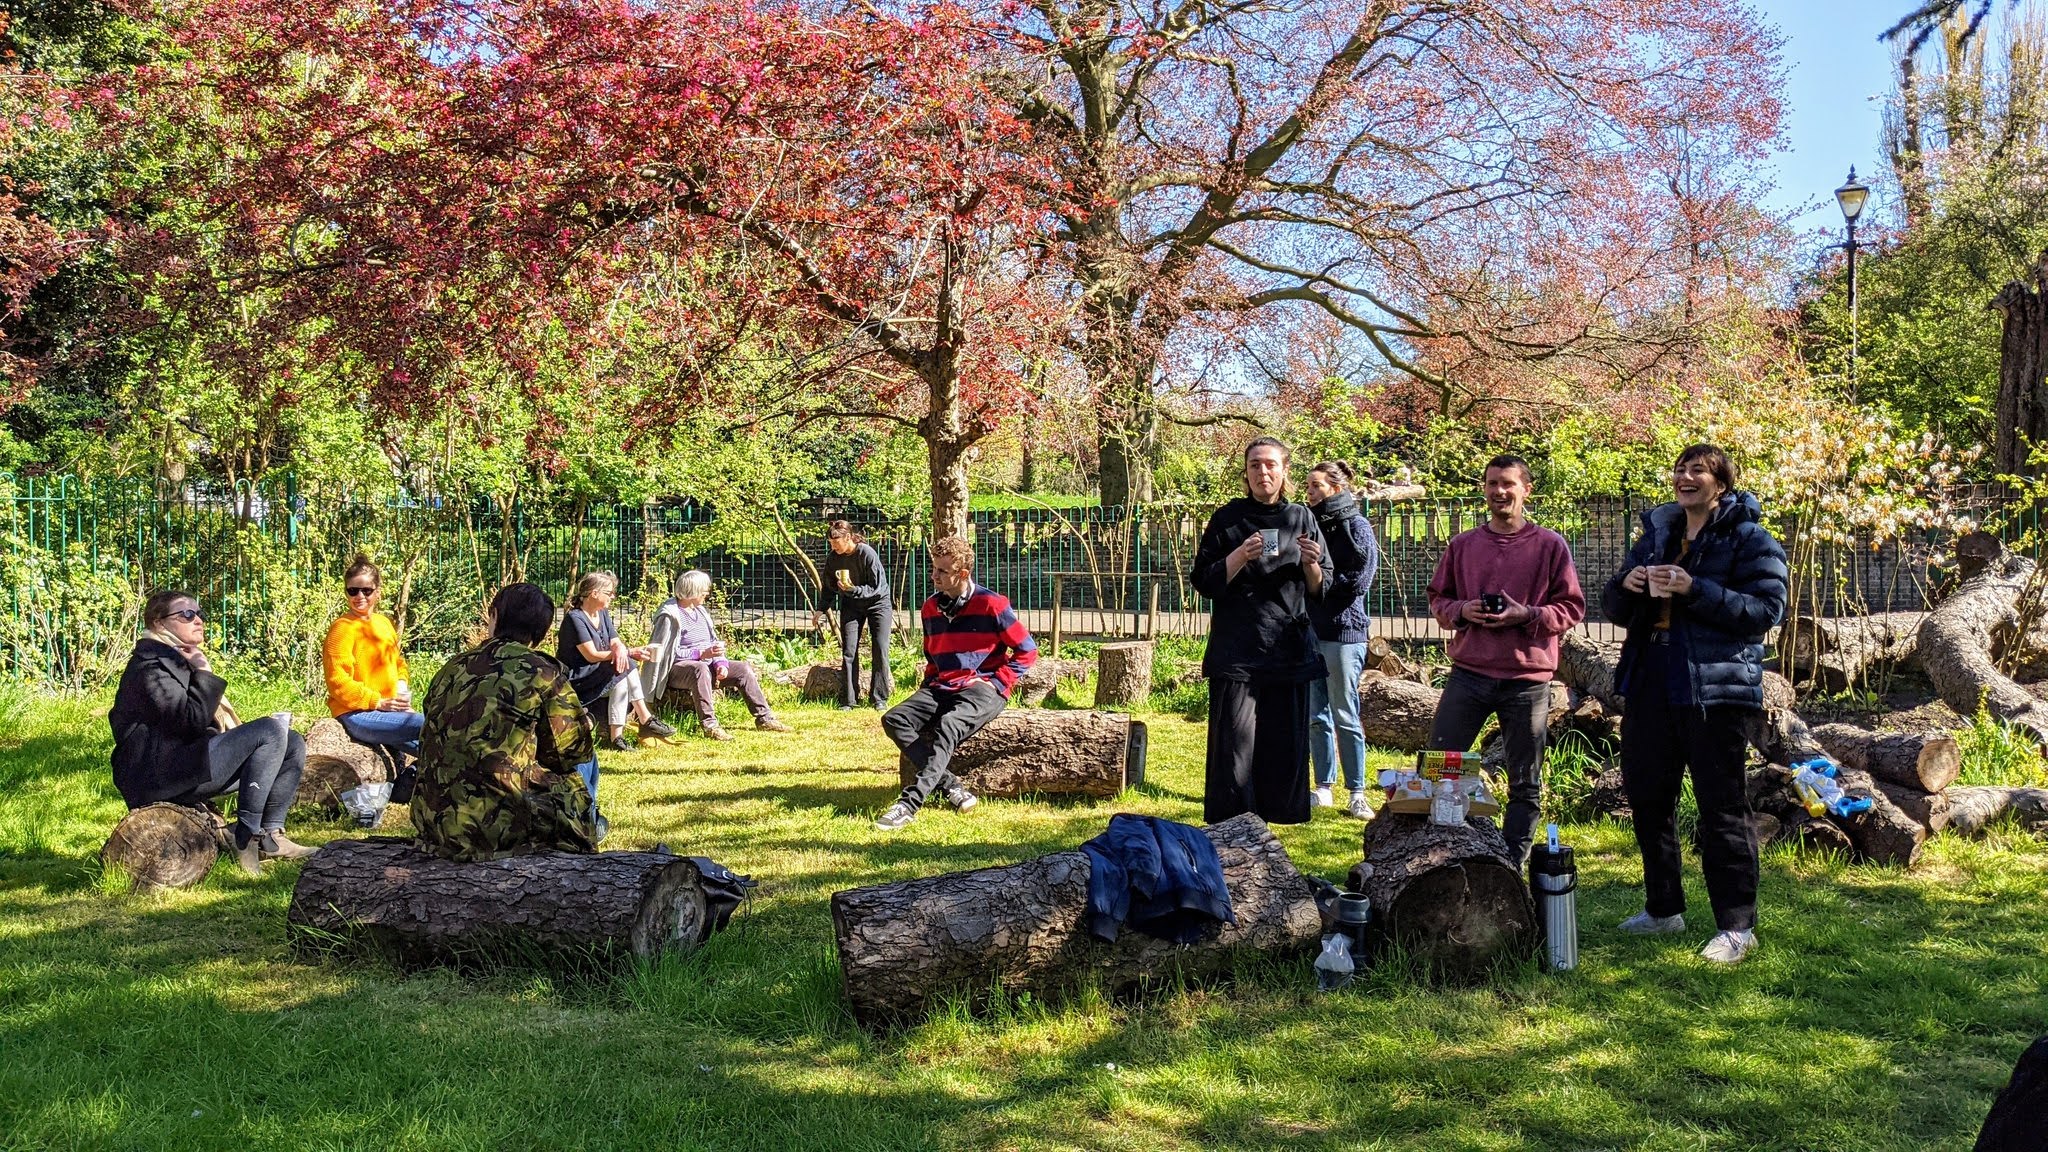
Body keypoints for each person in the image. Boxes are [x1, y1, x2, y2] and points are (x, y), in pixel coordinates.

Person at [1603, 444, 1787, 965]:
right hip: (1651, 682)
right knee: (1648, 800)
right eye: (1681, 469)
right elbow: (1614, 607)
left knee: (1722, 808)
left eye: (1698, 470)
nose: (1685, 477)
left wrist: (1694, 587)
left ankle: (1736, 927)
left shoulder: (1750, 539)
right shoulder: (1657, 534)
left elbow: (1765, 611)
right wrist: (1628, 584)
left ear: (1722, 483)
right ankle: (1664, 910)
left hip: (1715, 690)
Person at [1424, 454, 1586, 868]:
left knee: (1525, 781)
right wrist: (1463, 611)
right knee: (1442, 767)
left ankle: (1513, 863)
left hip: (1528, 678)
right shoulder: (1464, 545)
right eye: (1493, 483)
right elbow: (1438, 598)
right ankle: (1440, 854)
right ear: (1485, 488)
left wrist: (1527, 614)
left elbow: (1571, 608)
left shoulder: (1550, 545)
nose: (1500, 491)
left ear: (1526, 490)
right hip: (1470, 673)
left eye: (1508, 484)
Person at [107, 589, 316, 875]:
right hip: (158, 775)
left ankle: (271, 836)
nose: (198, 620)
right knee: (268, 731)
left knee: (291, 740)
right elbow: (189, 721)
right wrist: (204, 672)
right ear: (158, 623)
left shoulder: (176, 660)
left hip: (185, 762)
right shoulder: (149, 667)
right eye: (187, 614)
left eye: (200, 614)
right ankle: (245, 838)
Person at [1190, 436, 1333, 826]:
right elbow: (1203, 581)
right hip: (1238, 650)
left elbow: (1323, 589)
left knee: (1283, 748)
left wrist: (1311, 565)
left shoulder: (1302, 517)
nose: (1263, 471)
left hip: (1287, 650)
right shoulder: (1227, 519)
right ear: (1246, 473)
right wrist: (1239, 556)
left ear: (1284, 470)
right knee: (1235, 748)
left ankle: (1275, 830)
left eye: (1270, 464)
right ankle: (1233, 830)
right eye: (1255, 465)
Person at [413, 582, 601, 862]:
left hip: (433, 821)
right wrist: (583, 723)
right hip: (498, 829)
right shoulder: (543, 673)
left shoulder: (452, 667)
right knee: (585, 764)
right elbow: (571, 753)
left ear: (495, 615)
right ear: (542, 632)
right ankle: (590, 826)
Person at [873, 535, 1038, 831]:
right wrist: (926, 690)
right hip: (942, 686)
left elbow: (1028, 649)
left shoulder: (992, 604)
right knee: (894, 718)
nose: (933, 576)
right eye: (933, 568)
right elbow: (933, 657)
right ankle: (951, 786)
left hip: (983, 687)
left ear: (962, 574)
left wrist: (999, 681)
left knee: (948, 725)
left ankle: (908, 805)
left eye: (941, 571)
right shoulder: (930, 608)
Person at [1304, 460, 1382, 820]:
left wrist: (1319, 586)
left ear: (1335, 488)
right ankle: (1323, 787)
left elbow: (1358, 583)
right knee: (1315, 714)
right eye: (1307, 488)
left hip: (1344, 633)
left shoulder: (1357, 527)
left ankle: (1357, 792)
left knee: (1345, 713)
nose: (1309, 494)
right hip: (1309, 631)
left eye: (1315, 487)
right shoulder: (1308, 526)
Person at [642, 569, 793, 740]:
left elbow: (713, 642)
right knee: (699, 669)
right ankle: (710, 726)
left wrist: (720, 662)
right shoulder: (670, 615)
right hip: (677, 670)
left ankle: (765, 719)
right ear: (692, 590)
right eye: (704, 589)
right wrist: (700, 653)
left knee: (743, 668)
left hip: (706, 665)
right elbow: (665, 653)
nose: (707, 593)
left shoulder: (700, 612)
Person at [321, 553, 422, 784]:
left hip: (389, 712)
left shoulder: (383, 623)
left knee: (440, 745)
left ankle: (408, 784)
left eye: (366, 590)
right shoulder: (342, 629)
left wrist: (400, 687)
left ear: (378, 591)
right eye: (352, 590)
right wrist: (379, 702)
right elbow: (338, 682)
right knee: (430, 723)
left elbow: (398, 663)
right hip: (357, 714)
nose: (359, 597)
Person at [557, 571, 677, 751]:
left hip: (599, 672)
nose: (613, 596)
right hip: (579, 678)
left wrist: (622, 650)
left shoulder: (602, 613)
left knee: (621, 677)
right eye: (609, 592)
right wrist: (628, 653)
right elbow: (591, 655)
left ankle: (616, 738)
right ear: (594, 593)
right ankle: (645, 717)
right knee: (627, 663)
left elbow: (615, 641)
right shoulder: (575, 618)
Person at [817, 520, 893, 711]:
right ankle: (849, 699)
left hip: (878, 604)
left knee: (880, 648)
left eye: (836, 542)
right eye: (831, 543)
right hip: (851, 604)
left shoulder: (866, 553)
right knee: (849, 651)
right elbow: (828, 585)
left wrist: (854, 589)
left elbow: (878, 587)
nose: (833, 547)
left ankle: (879, 698)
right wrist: (821, 608)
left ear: (848, 537)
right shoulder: (833, 558)